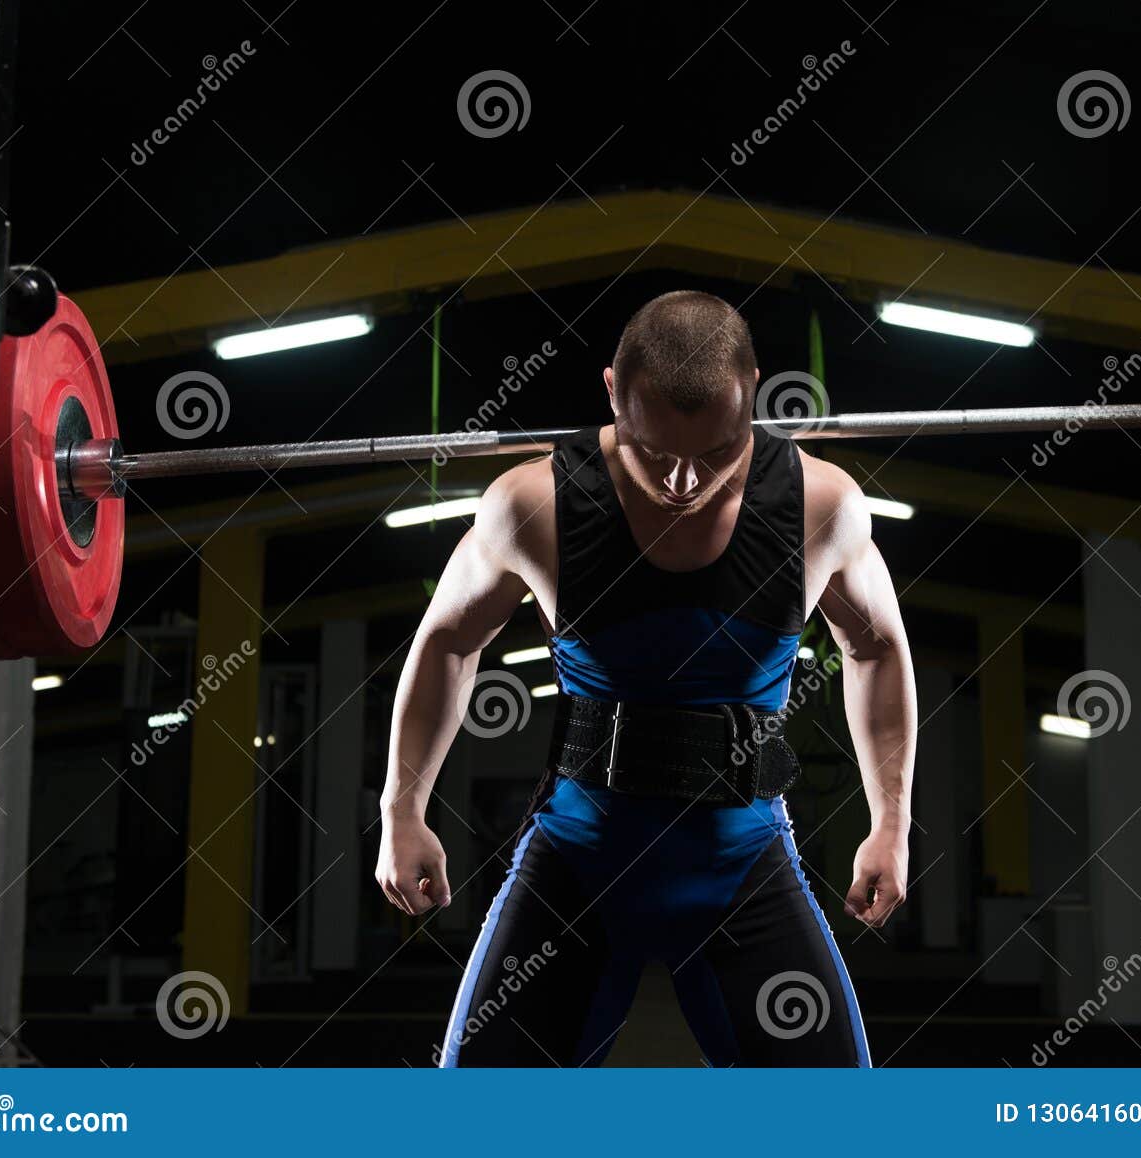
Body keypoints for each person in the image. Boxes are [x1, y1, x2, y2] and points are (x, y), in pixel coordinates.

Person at [375, 290, 915, 1067]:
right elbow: (447, 642)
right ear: (611, 394)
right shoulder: (533, 506)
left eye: (717, 452)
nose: (685, 482)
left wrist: (891, 824)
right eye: (655, 454)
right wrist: (402, 810)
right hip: (578, 858)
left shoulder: (820, 506)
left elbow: (877, 649)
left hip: (742, 862)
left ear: (754, 394)